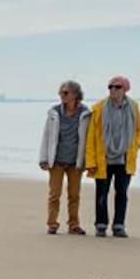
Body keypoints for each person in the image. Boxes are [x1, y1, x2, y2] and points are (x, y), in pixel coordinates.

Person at [86, 76, 140, 238]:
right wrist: (90, 161)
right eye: (110, 87)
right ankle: (101, 225)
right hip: (103, 158)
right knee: (101, 193)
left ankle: (119, 225)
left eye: (117, 87)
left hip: (125, 158)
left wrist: (135, 146)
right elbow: (91, 136)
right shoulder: (98, 108)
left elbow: (139, 130)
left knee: (122, 192)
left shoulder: (133, 107)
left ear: (125, 89)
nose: (113, 90)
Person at [38, 80, 90, 235]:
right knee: (54, 194)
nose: (62, 95)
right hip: (57, 161)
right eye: (61, 92)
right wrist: (43, 158)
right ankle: (52, 224)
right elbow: (46, 136)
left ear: (75, 94)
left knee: (74, 195)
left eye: (66, 93)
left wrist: (88, 161)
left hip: (75, 162)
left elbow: (88, 138)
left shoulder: (85, 114)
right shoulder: (54, 113)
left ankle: (74, 224)